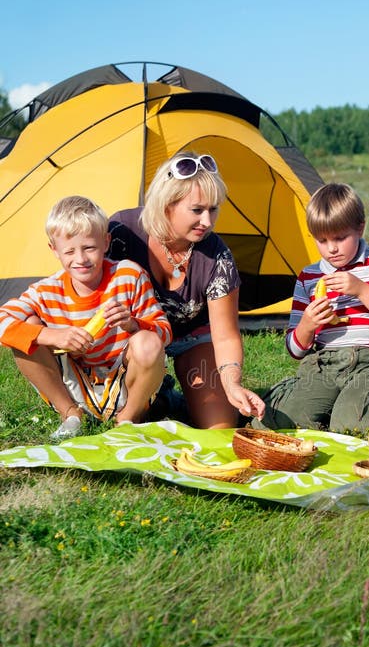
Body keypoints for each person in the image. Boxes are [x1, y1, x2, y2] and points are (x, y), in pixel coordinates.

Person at [108, 152, 265, 429]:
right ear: (167, 204)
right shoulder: (121, 232)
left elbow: (226, 336)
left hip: (192, 339)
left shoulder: (219, 258)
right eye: (197, 210)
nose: (207, 221)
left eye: (213, 209)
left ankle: (166, 396)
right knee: (139, 417)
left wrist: (232, 384)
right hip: (136, 337)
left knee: (219, 427)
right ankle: (146, 399)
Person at [252, 183, 369, 436]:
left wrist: (363, 291)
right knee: (275, 422)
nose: (332, 248)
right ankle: (319, 405)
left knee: (352, 424)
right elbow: (295, 349)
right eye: (322, 240)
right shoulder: (309, 276)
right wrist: (308, 324)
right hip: (325, 365)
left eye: (340, 238)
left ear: (360, 227)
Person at [0, 195, 171, 441]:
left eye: (89, 248)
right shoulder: (46, 291)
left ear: (106, 242)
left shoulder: (129, 276)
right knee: (27, 329)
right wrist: (53, 336)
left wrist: (134, 324)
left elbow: (164, 332)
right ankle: (70, 414)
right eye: (69, 251)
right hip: (75, 383)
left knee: (148, 340)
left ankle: (128, 418)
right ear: (54, 250)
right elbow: (3, 321)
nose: (80, 259)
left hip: (124, 379)